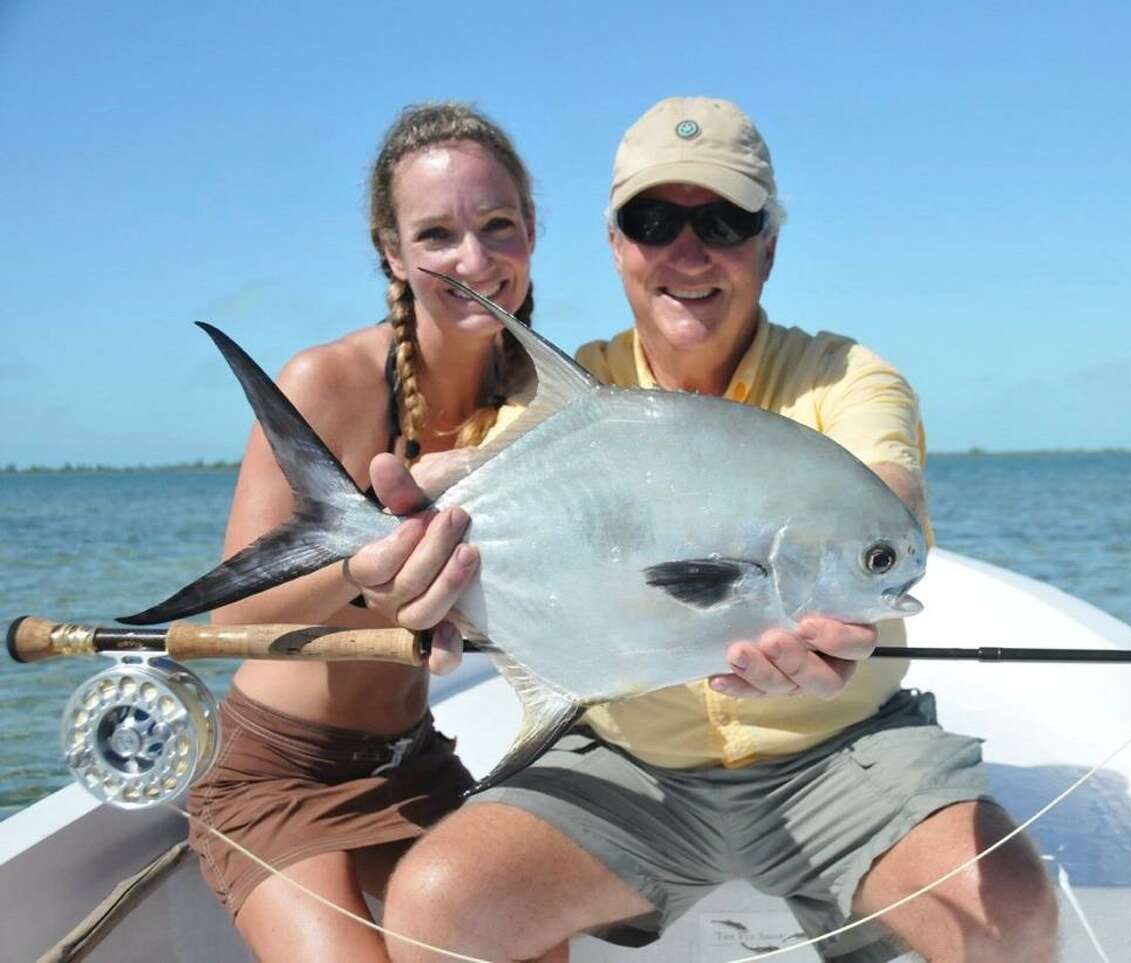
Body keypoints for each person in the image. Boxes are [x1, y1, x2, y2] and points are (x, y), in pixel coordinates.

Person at [380, 98, 1059, 962]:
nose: (687, 252)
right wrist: (409, 566)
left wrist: (858, 582)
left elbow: (889, 493)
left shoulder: (846, 375)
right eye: (654, 221)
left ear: (770, 243)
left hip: (839, 755)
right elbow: (489, 522)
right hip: (627, 767)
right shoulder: (571, 389)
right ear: (617, 244)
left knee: (1010, 912)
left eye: (725, 221)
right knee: (435, 906)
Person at [186, 101, 537, 963]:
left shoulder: (542, 400)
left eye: (498, 226)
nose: (474, 261)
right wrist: (367, 559)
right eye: (437, 236)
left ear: (532, 232)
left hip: (415, 762)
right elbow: (232, 622)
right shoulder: (329, 381)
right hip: (276, 772)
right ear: (390, 251)